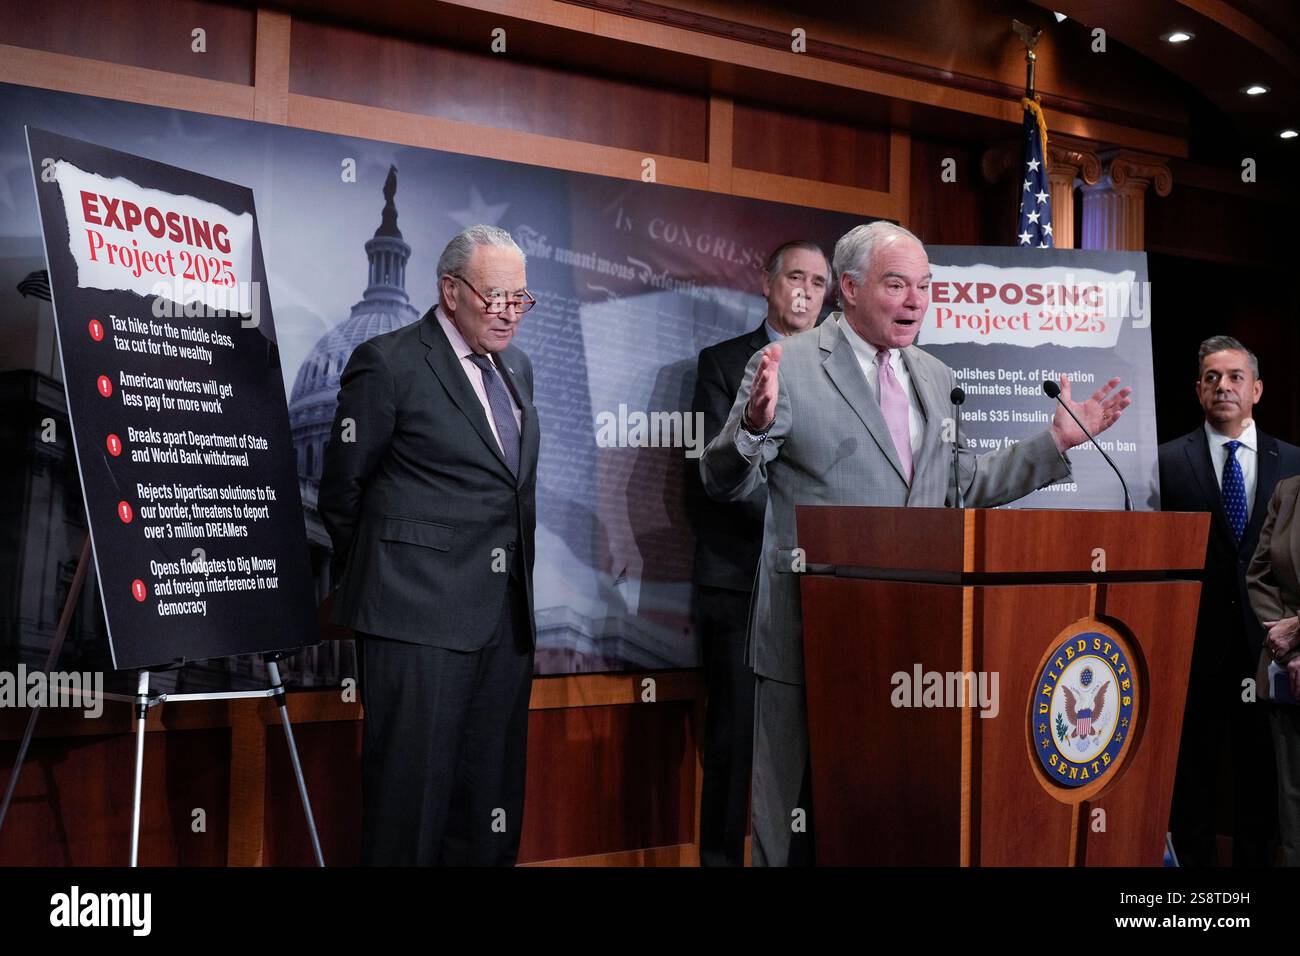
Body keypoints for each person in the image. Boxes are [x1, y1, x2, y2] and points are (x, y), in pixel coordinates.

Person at [700, 220, 1131, 866]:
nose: (915, 301)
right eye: (896, 284)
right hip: (805, 638)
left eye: (925, 287)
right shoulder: (789, 367)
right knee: (786, 833)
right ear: (847, 288)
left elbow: (963, 486)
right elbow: (720, 480)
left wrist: (1055, 446)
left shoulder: (934, 375)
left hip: (909, 644)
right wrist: (752, 428)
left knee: (887, 819)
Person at [319, 224, 540, 866]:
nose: (508, 312)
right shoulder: (387, 361)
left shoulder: (518, 369)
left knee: (489, 813)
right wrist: (390, 581)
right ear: (449, 290)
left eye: (520, 298)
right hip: (414, 624)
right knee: (408, 816)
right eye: (494, 296)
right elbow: (342, 490)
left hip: (504, 625)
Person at [688, 240, 830, 866]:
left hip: (824, 592)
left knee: (818, 754)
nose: (805, 290)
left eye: (819, 281)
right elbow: (717, 477)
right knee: (735, 750)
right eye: (794, 276)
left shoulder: (843, 373)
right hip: (743, 588)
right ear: (768, 285)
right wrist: (806, 527)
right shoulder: (721, 365)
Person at [1160, 335, 1300, 866]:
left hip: (1272, 652)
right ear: (1199, 391)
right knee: (1192, 786)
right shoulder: (1166, 462)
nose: (1224, 386)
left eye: (1236, 376)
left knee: (1262, 790)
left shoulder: (1293, 463)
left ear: (1257, 389)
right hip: (1194, 652)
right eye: (1213, 378)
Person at [1248, 474, 1300, 866]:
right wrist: (1290, 651)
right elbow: (1259, 576)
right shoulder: (1288, 490)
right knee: (1294, 813)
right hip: (1291, 676)